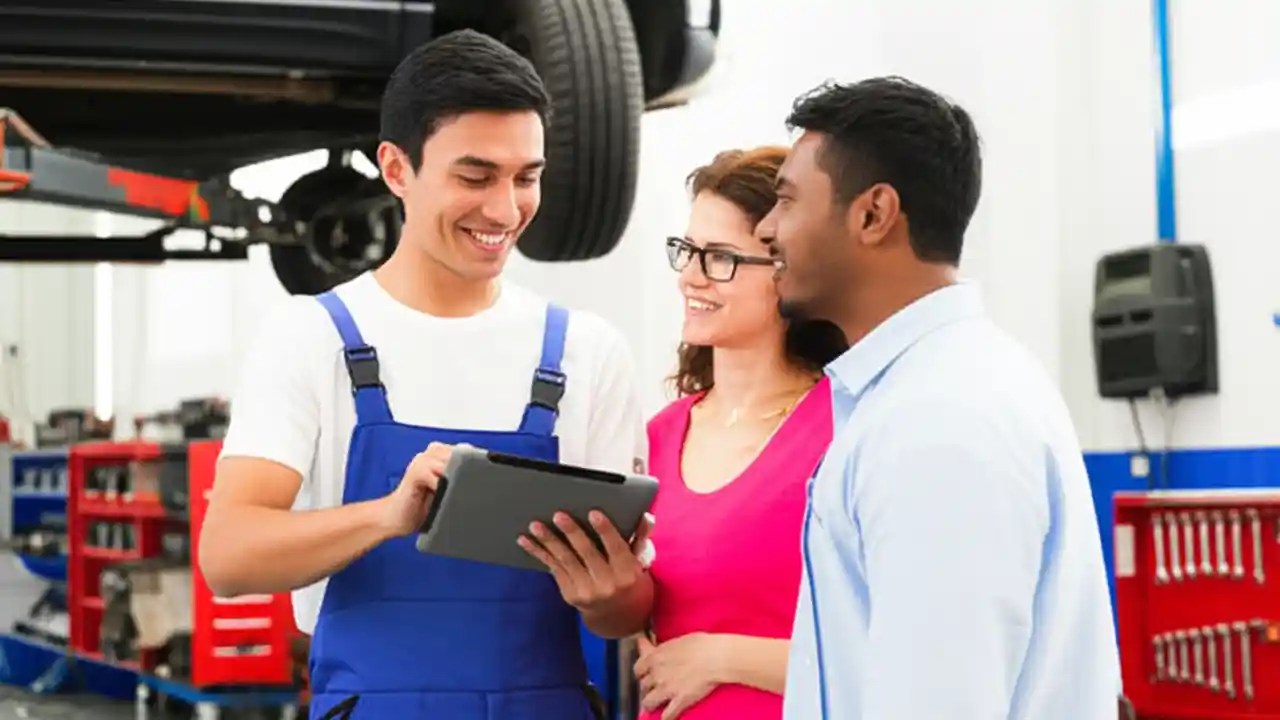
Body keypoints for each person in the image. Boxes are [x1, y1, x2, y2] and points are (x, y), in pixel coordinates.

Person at [198, 30, 652, 720]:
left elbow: (623, 618)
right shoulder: (312, 337)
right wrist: (387, 516)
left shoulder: (587, 352)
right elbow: (229, 558)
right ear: (396, 168)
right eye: (475, 177)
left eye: (526, 177)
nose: (505, 210)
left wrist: (612, 594)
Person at [757, 77, 1122, 719]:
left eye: (785, 201)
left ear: (873, 214)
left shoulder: (939, 420)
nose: (767, 229)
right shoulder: (931, 389)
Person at [632, 146, 846, 720]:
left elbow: (894, 650)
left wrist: (722, 657)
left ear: (788, 272)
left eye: (720, 258)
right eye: (687, 251)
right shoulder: (657, 437)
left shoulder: (847, 428)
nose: (690, 276)